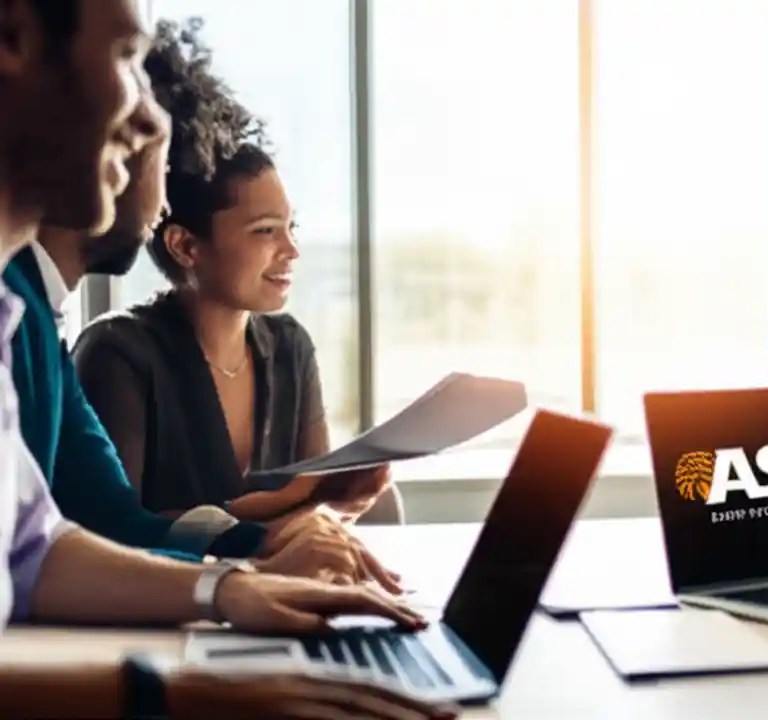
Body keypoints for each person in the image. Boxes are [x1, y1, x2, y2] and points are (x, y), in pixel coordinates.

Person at [0, 1, 450, 717]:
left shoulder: (25, 313)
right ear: (16, 39)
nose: (149, 126)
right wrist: (180, 690)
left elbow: (45, 545)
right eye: (124, 59)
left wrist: (241, 578)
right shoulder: (106, 345)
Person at [73, 18, 398, 529]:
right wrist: (302, 499)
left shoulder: (290, 344)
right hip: (165, 605)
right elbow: (118, 530)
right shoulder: (118, 354)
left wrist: (337, 502)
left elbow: (314, 510)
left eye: (291, 226)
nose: (291, 249)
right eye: (266, 231)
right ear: (184, 245)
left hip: (275, 595)